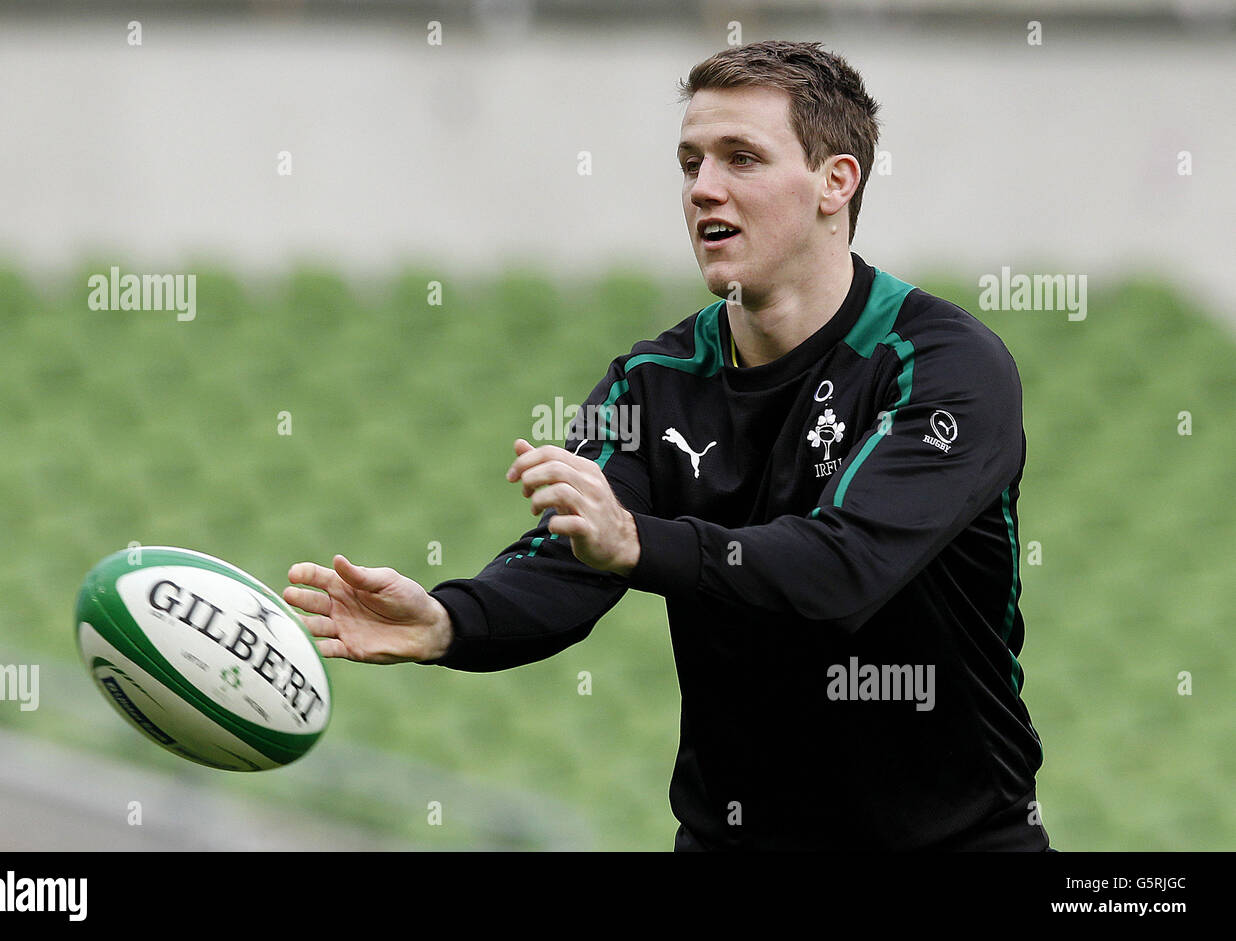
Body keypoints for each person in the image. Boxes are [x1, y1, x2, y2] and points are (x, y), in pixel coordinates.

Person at [284, 40, 1053, 851]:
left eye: (741, 158)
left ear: (837, 182)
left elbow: (844, 567)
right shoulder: (651, 383)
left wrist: (638, 540)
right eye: (690, 162)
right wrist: (449, 619)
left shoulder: (944, 364)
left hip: (960, 843)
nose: (703, 188)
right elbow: (564, 566)